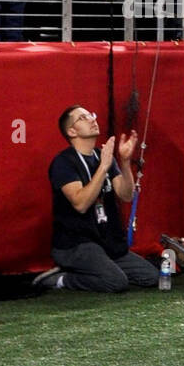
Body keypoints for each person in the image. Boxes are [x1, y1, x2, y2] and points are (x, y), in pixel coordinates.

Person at [34, 107, 158, 292]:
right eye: (83, 118)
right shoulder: (63, 162)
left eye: (91, 115)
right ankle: (61, 279)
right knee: (116, 282)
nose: (92, 119)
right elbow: (81, 204)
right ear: (72, 131)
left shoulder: (104, 156)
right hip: (76, 243)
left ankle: (95, 269)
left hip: (106, 241)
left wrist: (124, 162)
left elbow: (126, 195)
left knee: (150, 277)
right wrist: (103, 167)